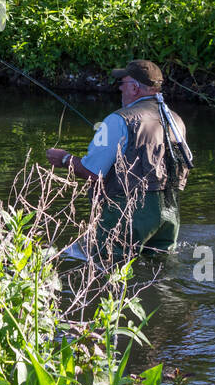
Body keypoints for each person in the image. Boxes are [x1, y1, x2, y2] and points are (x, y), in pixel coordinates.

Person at [46, 59, 193, 259]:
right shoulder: (175, 119)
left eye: (121, 84)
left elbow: (93, 173)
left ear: (134, 88)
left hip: (129, 212)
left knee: (107, 269)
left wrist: (64, 159)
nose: (120, 89)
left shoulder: (118, 120)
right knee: (159, 271)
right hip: (170, 210)